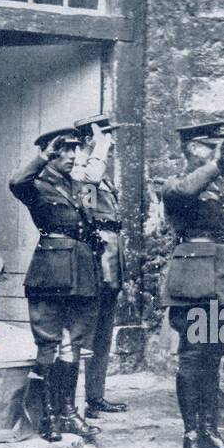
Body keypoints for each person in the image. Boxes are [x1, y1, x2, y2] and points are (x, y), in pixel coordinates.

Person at [161, 121, 224, 448]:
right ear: (193, 148)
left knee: (213, 356)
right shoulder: (174, 184)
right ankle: (191, 434)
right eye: (213, 145)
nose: (221, 152)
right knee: (193, 357)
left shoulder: (222, 185)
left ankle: (210, 431)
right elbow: (185, 193)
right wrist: (214, 165)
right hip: (194, 283)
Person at [9, 127, 101, 443]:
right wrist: (41, 157)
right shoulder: (36, 185)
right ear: (52, 153)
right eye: (66, 150)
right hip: (50, 270)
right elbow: (15, 182)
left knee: (72, 343)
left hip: (81, 268)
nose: (73, 155)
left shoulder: (75, 185)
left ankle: (68, 412)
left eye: (76, 149)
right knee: (48, 342)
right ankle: (47, 415)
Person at [71, 114, 130, 418]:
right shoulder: (81, 169)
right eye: (105, 135)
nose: (111, 142)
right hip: (94, 255)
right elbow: (86, 201)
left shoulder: (100, 172)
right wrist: (98, 150)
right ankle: (78, 399)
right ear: (89, 138)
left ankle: (95, 396)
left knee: (104, 329)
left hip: (110, 254)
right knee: (87, 329)